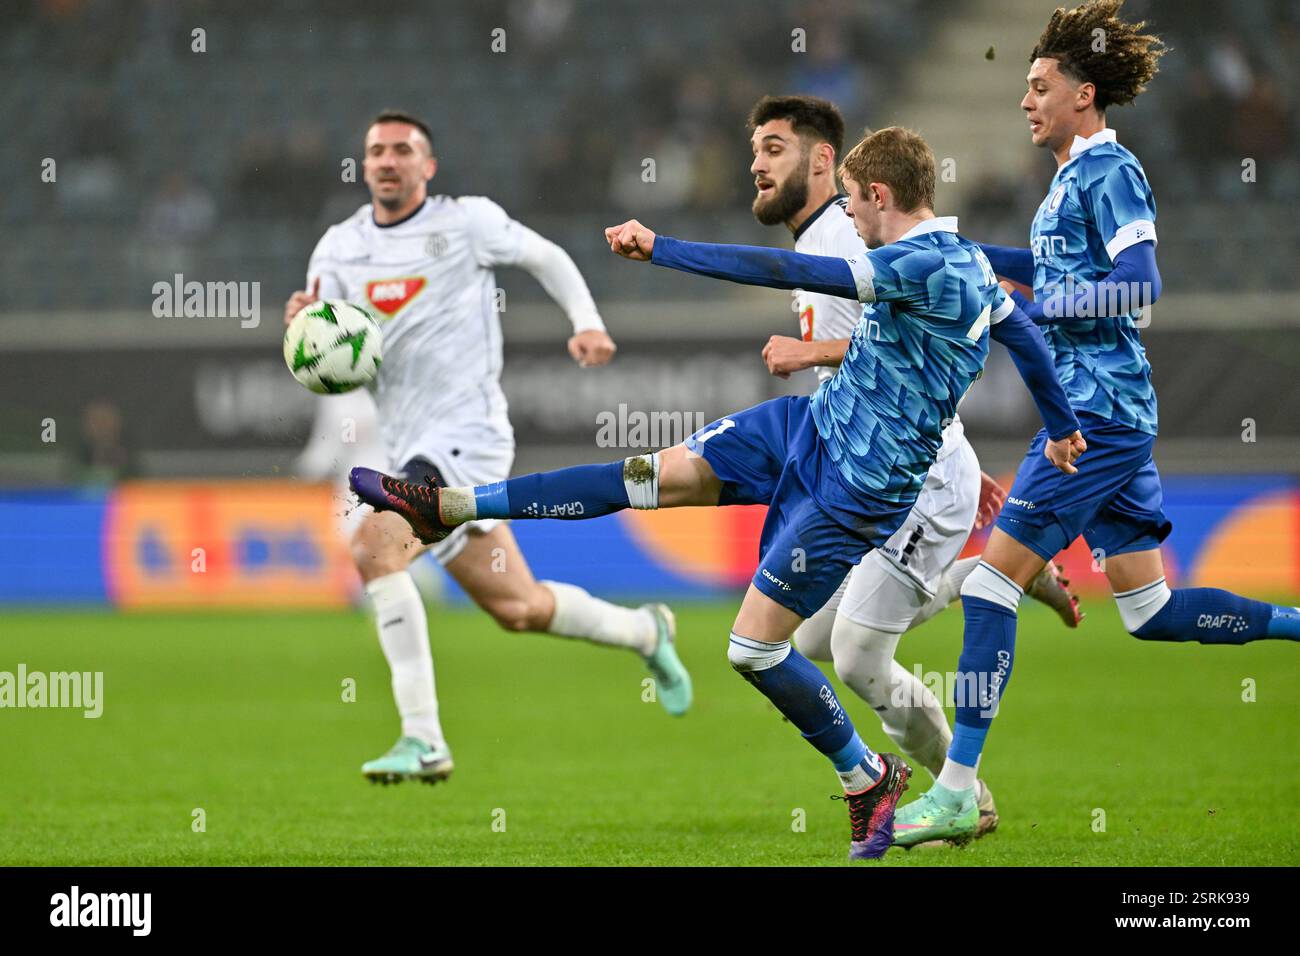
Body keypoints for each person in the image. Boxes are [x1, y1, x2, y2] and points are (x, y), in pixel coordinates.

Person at [350, 126, 1085, 859]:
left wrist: (662, 248)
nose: (849, 218)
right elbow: (1023, 335)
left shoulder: (902, 264)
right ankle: (449, 504)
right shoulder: (970, 268)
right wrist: (1060, 425)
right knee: (644, 476)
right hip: (807, 427)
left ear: (880, 195)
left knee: (757, 649)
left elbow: (763, 267)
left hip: (857, 493)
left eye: (856, 204)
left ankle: (869, 777)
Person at [895, 0, 1300, 848]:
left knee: (990, 583)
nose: (1025, 102)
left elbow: (1141, 283)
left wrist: (1040, 301)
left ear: (1083, 94)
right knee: (1148, 610)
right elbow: (1049, 268)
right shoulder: (1069, 181)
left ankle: (959, 788)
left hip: (1094, 418)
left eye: (1039, 87)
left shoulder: (1110, 170)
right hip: (1109, 416)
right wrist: (966, 258)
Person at [285, 110, 692, 785]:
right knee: (519, 608)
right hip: (408, 443)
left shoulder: (465, 221)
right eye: (376, 150)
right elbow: (323, 337)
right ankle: (647, 632)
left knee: (374, 544)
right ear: (364, 165)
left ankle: (423, 738)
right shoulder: (337, 247)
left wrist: (586, 322)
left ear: (428, 165)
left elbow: (546, 256)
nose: (387, 160)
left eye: (402, 150)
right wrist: (300, 325)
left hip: (468, 435)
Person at [742, 94, 1084, 842]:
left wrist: (809, 353)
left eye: (773, 148)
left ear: (824, 161)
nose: (756, 165)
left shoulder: (850, 236)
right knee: (803, 644)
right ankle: (998, 572)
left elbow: (919, 330)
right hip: (888, 461)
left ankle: (963, 794)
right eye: (756, 150)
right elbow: (909, 357)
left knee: (858, 657)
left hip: (913, 479)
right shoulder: (823, 238)